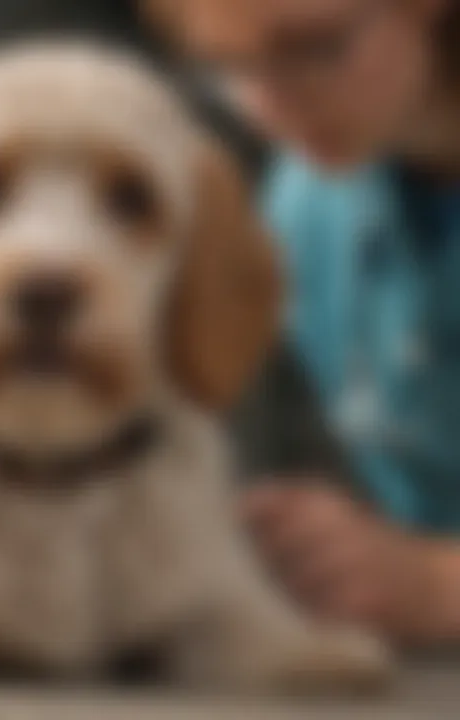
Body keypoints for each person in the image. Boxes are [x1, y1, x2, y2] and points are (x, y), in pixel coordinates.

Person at [140, 0, 460, 647]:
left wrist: (436, 585)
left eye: (315, 51)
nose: (267, 106)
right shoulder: (307, 207)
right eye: (226, 65)